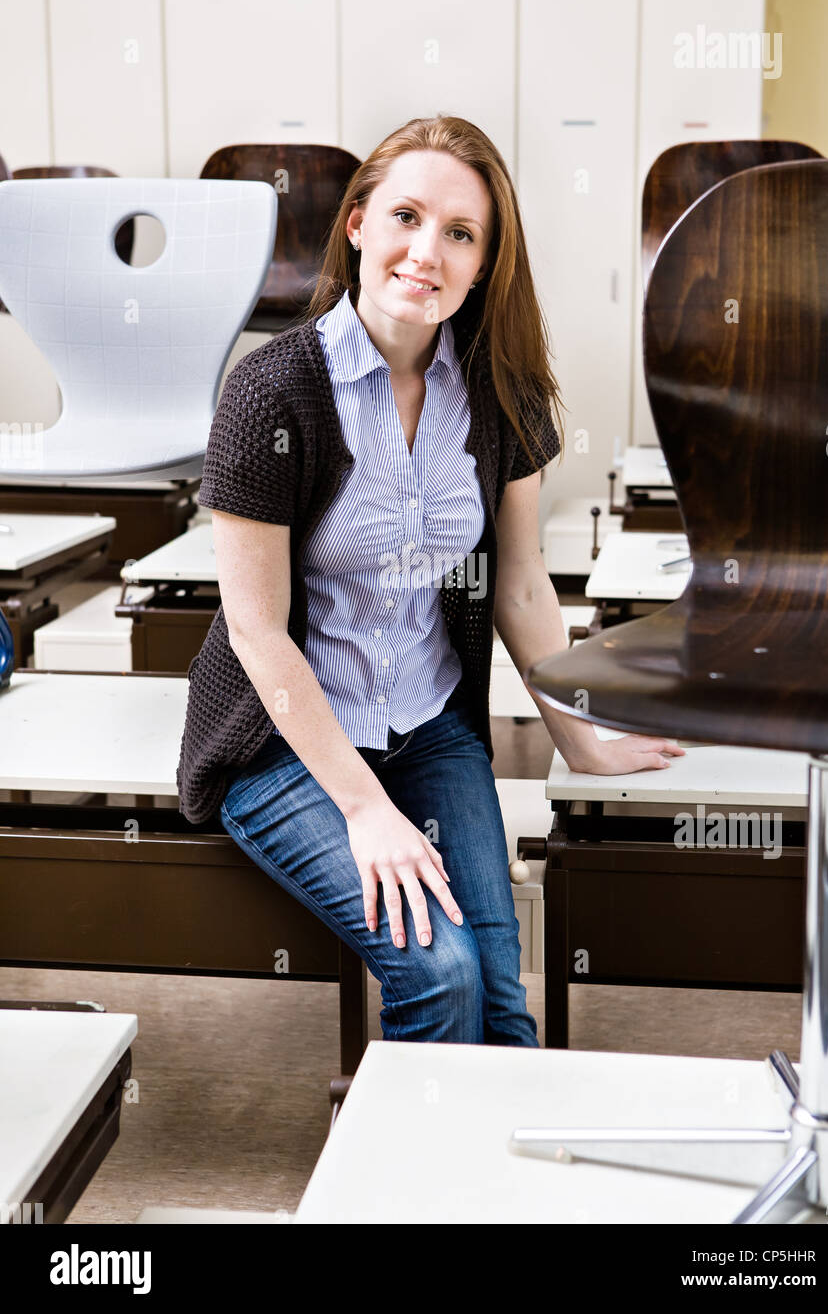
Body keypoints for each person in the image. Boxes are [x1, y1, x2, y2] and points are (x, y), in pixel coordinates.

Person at [185, 114, 684, 1046]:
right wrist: (366, 813)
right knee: (442, 975)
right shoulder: (271, 394)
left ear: (486, 261)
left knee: (501, 997)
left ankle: (489, 1187)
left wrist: (579, 740)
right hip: (283, 745)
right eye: (406, 217)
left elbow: (522, 586)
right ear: (358, 226)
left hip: (429, 726)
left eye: (460, 233)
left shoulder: (503, 391)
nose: (427, 251)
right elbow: (256, 632)